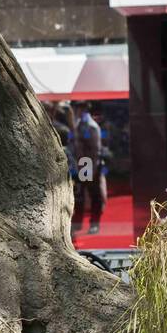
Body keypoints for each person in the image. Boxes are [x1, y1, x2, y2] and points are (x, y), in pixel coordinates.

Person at [70, 101, 104, 236]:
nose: (77, 110)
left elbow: (95, 149)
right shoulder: (77, 123)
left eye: (79, 107)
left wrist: (93, 168)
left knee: (94, 195)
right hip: (79, 164)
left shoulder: (90, 125)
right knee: (79, 196)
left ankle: (94, 224)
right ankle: (77, 224)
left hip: (88, 164)